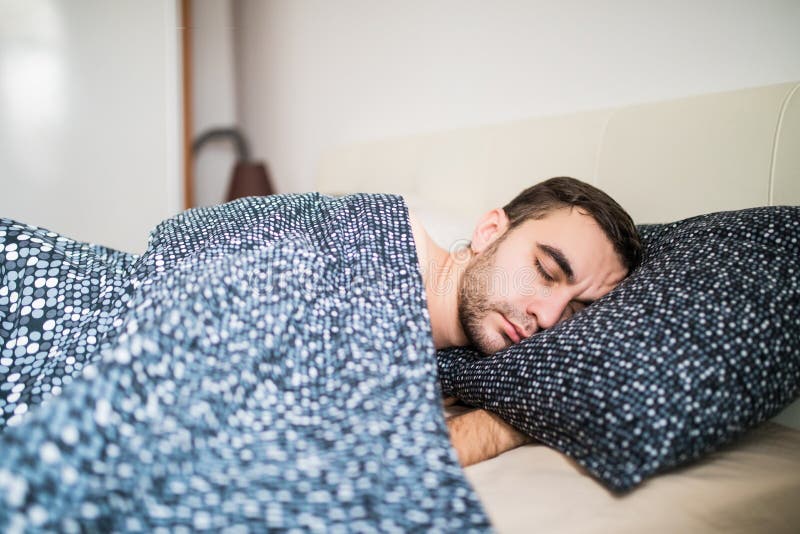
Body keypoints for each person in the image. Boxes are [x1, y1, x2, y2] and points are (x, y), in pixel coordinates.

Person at [409, 176, 643, 467]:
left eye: (573, 310)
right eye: (545, 271)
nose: (548, 317)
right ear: (489, 231)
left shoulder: (447, 366)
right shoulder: (387, 243)